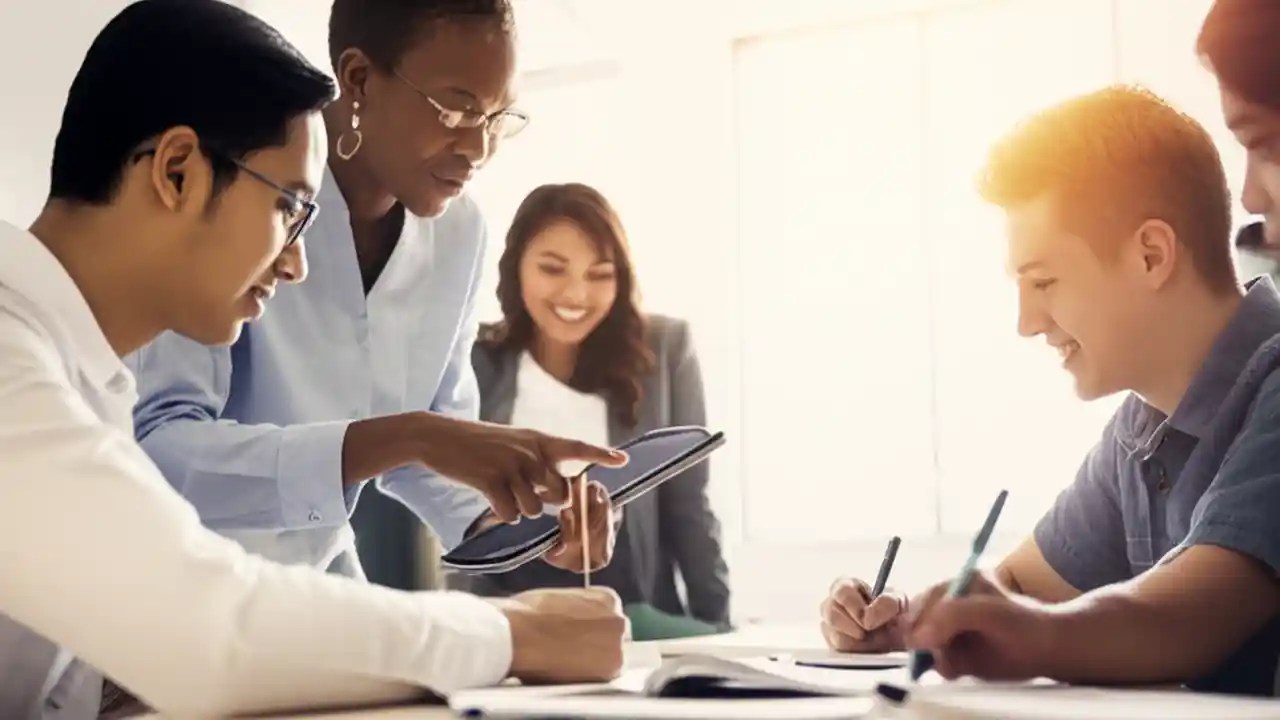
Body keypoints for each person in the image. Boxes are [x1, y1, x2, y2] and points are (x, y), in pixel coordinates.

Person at [0, 2, 627, 717]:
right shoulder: (14, 364)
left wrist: (525, 513)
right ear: (177, 172)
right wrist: (514, 634)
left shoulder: (82, 375)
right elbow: (209, 630)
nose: (298, 262)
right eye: (289, 209)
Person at [127, 0, 621, 584]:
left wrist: (515, 526)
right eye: (457, 110)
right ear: (359, 79)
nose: (479, 149)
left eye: (496, 119)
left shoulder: (460, 233)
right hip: (183, 589)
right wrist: (405, 438)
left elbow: (437, 438)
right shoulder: (240, 194)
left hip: (324, 582)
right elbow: (160, 452)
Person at [822, 82, 1280, 695]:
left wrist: (1024, 632)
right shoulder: (1141, 428)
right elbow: (1016, 588)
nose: (1025, 323)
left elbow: (1191, 616)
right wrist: (914, 621)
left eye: (1044, 283)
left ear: (1151, 255)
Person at [457, 183, 731, 634]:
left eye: (600, 274)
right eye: (552, 269)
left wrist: (718, 628)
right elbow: (455, 512)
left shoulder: (665, 349)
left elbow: (689, 505)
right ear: (515, 268)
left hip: (629, 609)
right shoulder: (475, 359)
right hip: (508, 612)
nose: (576, 295)